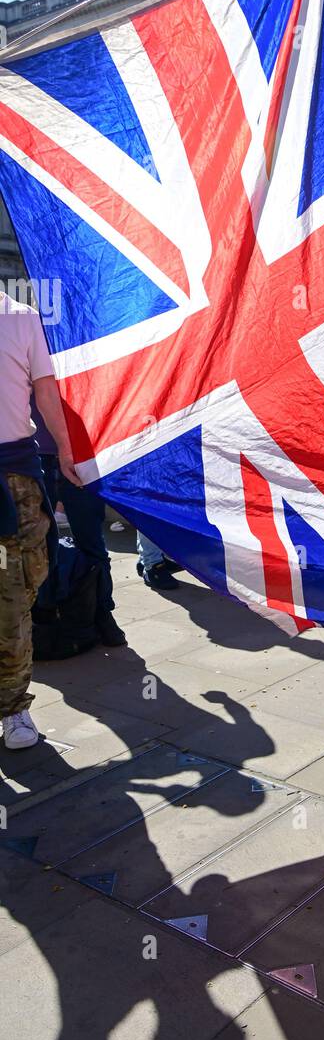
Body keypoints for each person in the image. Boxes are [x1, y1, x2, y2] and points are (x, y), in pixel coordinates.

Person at [0, 293, 80, 749]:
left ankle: (13, 707)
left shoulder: (20, 316)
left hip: (15, 478)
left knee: (15, 597)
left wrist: (67, 450)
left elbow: (45, 390)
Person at [33, 402, 127, 646]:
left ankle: (103, 612)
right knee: (38, 545)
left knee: (92, 542)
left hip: (82, 453)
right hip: (34, 455)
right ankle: (44, 610)